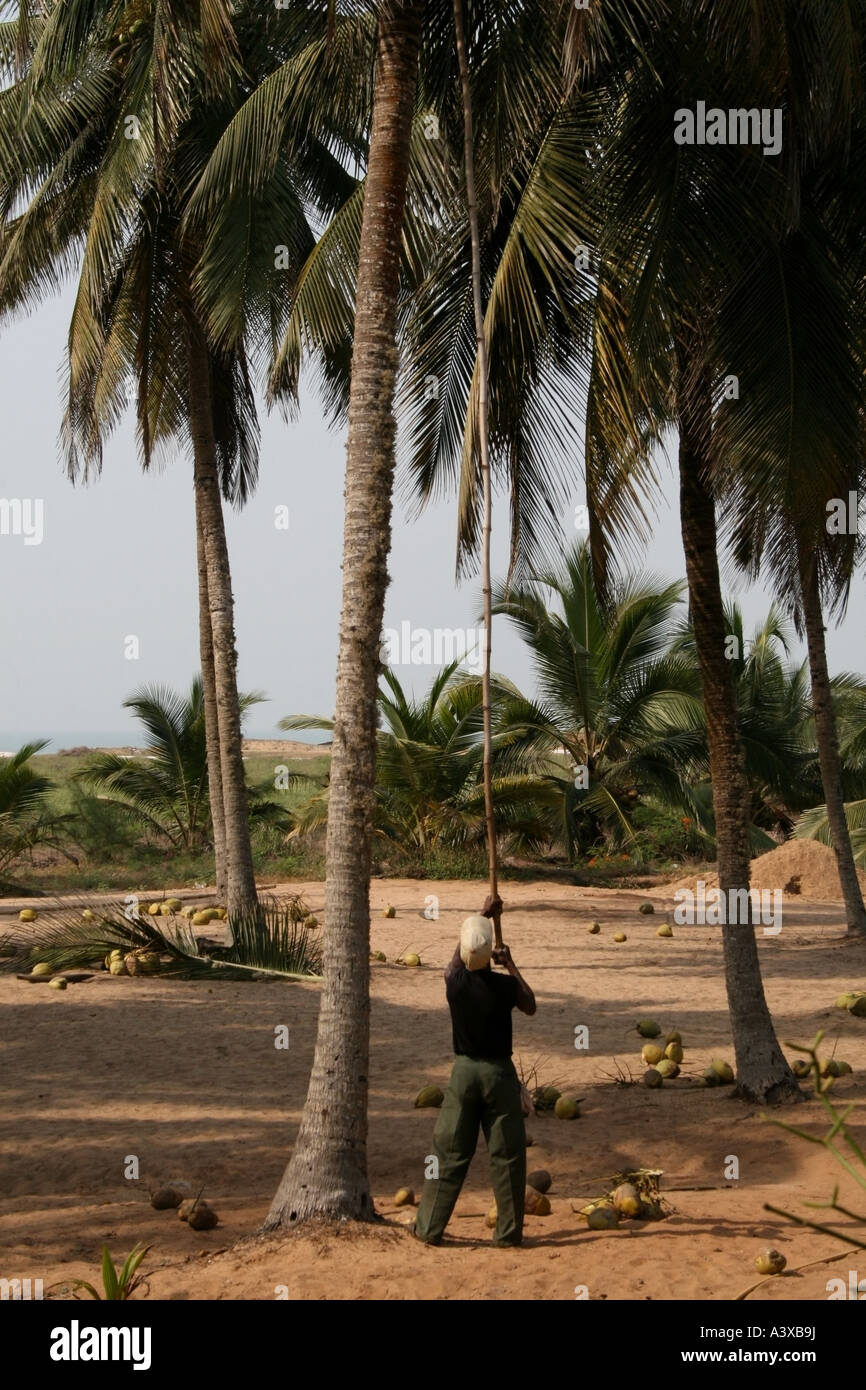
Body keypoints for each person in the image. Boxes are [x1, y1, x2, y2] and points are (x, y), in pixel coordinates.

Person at [413, 894, 536, 1247]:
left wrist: (481, 916)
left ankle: (429, 1228)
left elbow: (452, 965)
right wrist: (510, 964)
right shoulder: (504, 987)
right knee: (508, 1155)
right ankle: (509, 1234)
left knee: (448, 1151)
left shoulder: (456, 985)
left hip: (463, 1075)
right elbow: (531, 1005)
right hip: (499, 1076)